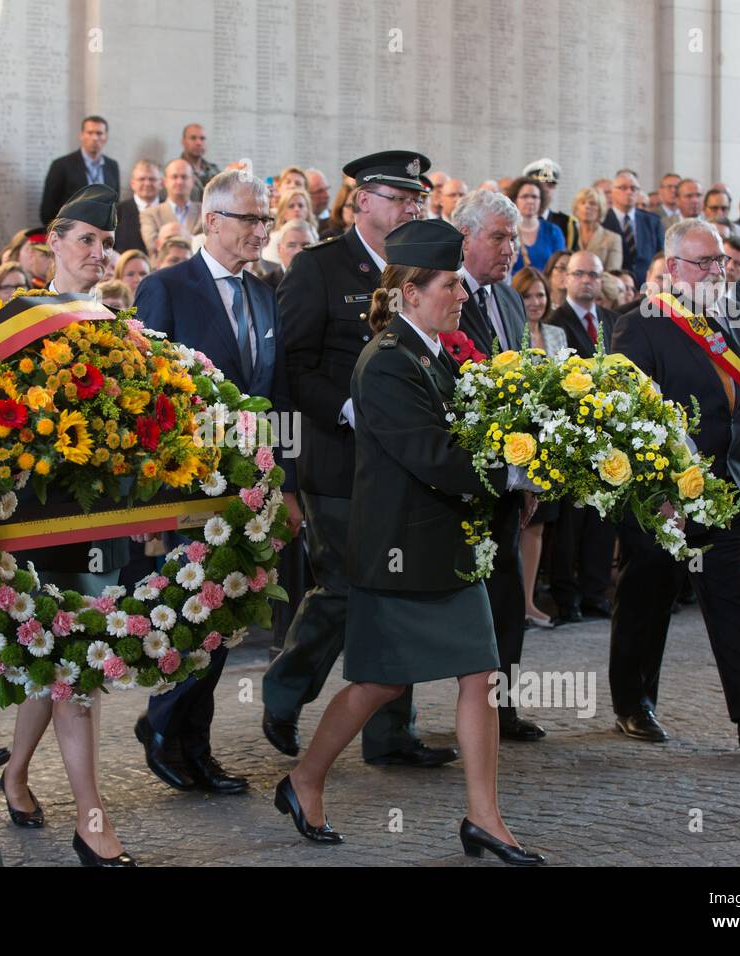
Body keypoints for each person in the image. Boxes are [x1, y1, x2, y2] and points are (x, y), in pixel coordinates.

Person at [273, 217, 544, 865]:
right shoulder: (388, 361)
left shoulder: (433, 351)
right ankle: (305, 779)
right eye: (450, 284)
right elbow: (435, 456)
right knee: (378, 685)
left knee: (480, 676)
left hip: (443, 547)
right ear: (410, 294)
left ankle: (484, 817)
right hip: (399, 553)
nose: (460, 295)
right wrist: (514, 468)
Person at [265, 151, 459, 765]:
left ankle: (389, 733)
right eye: (398, 197)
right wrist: (346, 413)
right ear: (361, 203)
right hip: (339, 458)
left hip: (406, 465)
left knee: (395, 589)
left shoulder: (420, 270)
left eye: (416, 199)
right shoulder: (319, 269)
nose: (410, 207)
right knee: (346, 586)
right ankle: (284, 688)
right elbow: (292, 368)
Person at [609, 218, 740, 748]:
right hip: (665, 493)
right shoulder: (640, 322)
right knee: (647, 598)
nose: (717, 272)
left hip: (731, 483)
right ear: (673, 267)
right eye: (704, 263)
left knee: (730, 598)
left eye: (721, 261)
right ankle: (634, 704)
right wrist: (658, 493)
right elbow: (631, 415)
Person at [133, 170, 301, 799]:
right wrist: (152, 494)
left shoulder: (265, 294)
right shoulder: (166, 287)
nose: (261, 230)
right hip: (185, 485)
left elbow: (276, 395)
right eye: (250, 220)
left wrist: (287, 483)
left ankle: (193, 746)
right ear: (212, 221)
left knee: (225, 618)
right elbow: (146, 395)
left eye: (265, 220)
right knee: (188, 615)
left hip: (249, 490)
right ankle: (163, 729)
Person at [0, 185, 137, 866]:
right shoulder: (16, 318)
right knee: (73, 665)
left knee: (58, 660)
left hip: (102, 513)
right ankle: (93, 821)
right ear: (49, 244)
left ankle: (15, 773)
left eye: (107, 243)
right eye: (86, 240)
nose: (99, 253)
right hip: (40, 517)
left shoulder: (115, 321)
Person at [451, 188, 545, 740]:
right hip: (457, 474)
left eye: (514, 238)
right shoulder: (441, 293)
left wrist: (528, 472)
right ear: (465, 238)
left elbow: (529, 385)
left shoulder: (509, 298)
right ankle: (398, 725)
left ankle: (501, 709)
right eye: (499, 237)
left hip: (507, 476)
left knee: (508, 593)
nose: (511, 248)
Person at [546, 250, 619, 624]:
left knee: (601, 517)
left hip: (608, 433)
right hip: (572, 432)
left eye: (594, 274)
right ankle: (566, 595)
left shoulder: (612, 319)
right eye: (580, 274)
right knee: (570, 522)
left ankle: (595, 591)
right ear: (566, 279)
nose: (587, 280)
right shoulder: (554, 322)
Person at [512, 266, 566, 629]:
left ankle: (529, 601)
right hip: (517, 435)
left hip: (551, 437)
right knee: (513, 521)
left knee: (538, 525)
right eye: (528, 295)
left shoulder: (556, 333)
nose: (535, 302)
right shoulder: (508, 328)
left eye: (541, 295)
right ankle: (509, 603)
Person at [40, 115, 119, 226]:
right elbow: (48, 209)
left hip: (104, 233)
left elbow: (116, 203)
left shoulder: (112, 165)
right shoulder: (61, 165)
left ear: (106, 137)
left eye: (99, 133)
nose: (95, 138)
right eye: (90, 133)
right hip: (71, 233)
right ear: (81, 135)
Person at [603, 169, 665, 287]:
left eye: (633, 188)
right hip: (616, 287)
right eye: (623, 188)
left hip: (646, 286)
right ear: (612, 192)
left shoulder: (652, 221)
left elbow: (660, 254)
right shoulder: (603, 220)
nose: (629, 192)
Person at [140, 158, 203, 255]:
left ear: (193, 181)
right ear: (165, 181)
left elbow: (209, 244)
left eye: (184, 177)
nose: (179, 181)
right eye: (174, 177)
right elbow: (153, 246)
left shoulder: (205, 212)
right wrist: (193, 239)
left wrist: (170, 238)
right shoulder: (150, 214)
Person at [506, 176, 565, 274]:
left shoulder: (553, 231)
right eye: (525, 196)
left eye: (534, 197)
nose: (530, 201)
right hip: (511, 287)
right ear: (515, 200)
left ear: (541, 201)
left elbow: (561, 267)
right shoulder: (507, 230)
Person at [566, 186, 622, 271]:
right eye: (582, 203)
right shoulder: (568, 234)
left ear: (600, 209)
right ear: (576, 209)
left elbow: (613, 272)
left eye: (592, 203)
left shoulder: (613, 239)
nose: (587, 207)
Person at [116, 160, 162, 254]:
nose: (147, 183)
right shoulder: (117, 211)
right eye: (142, 179)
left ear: (161, 183)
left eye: (152, 179)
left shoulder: (171, 208)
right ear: (132, 183)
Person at [174, 123, 219, 201]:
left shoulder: (214, 170)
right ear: (183, 141)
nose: (198, 143)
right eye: (193, 138)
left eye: (202, 138)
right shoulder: (175, 170)